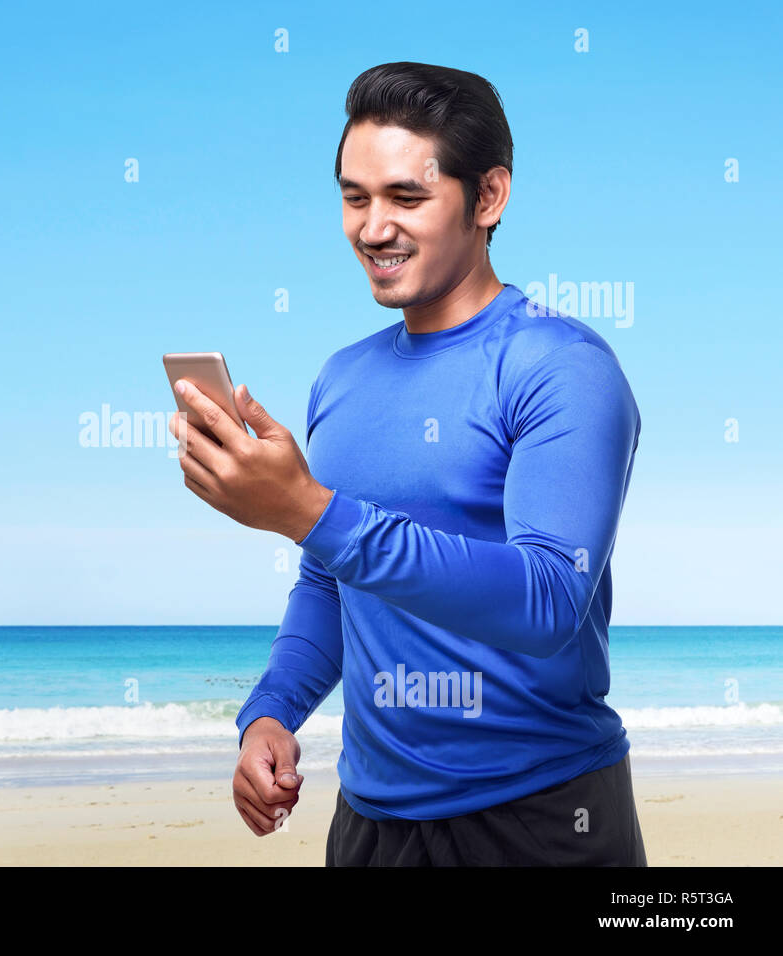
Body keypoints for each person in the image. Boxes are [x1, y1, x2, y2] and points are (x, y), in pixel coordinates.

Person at [168, 61, 646, 866]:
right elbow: (330, 580)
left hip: (539, 819)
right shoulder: (342, 378)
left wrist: (308, 511)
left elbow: (548, 599)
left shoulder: (561, 367)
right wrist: (272, 712)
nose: (372, 227)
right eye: (355, 198)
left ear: (488, 197)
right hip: (369, 825)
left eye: (406, 198)